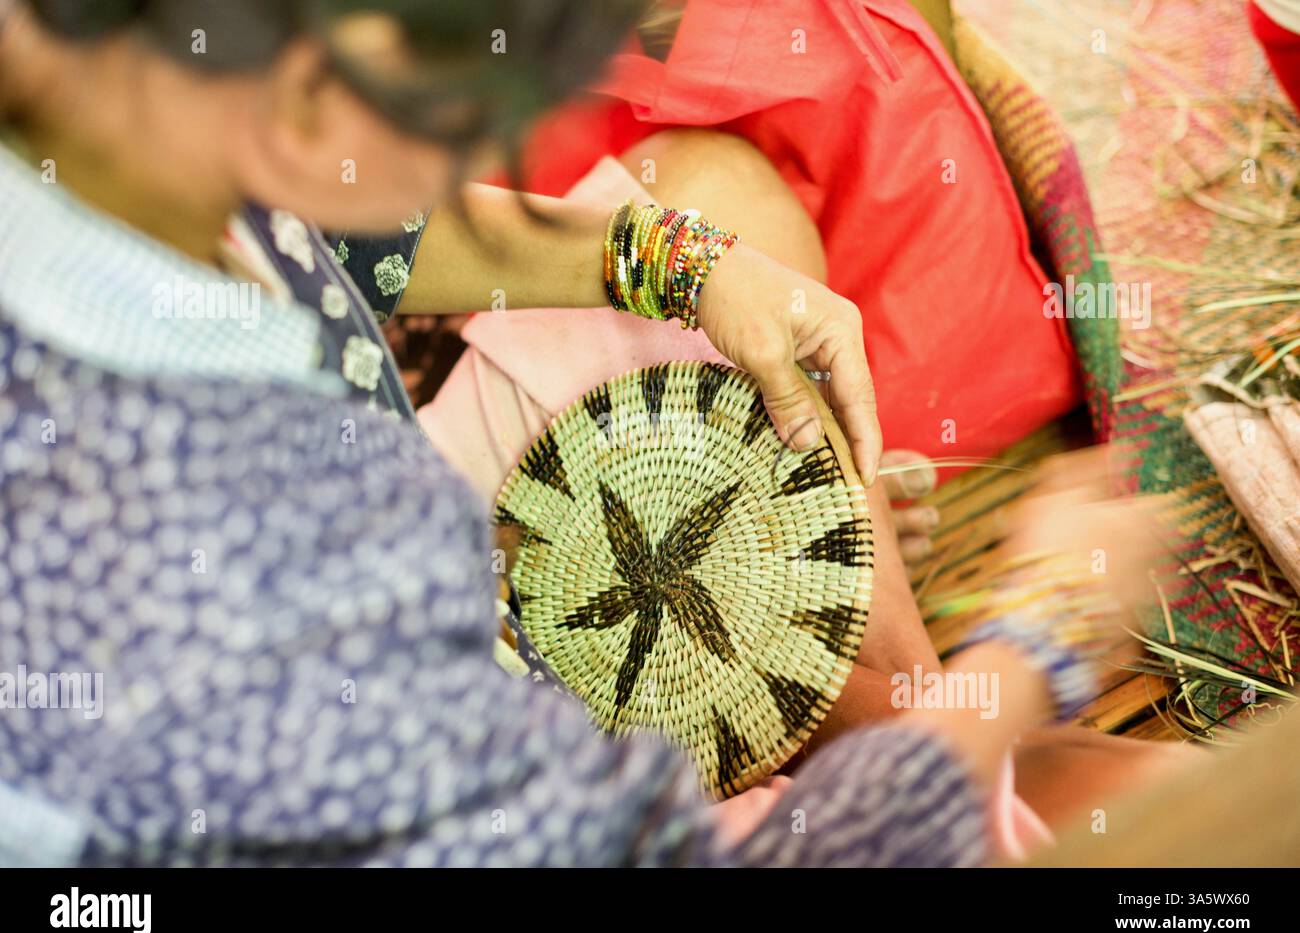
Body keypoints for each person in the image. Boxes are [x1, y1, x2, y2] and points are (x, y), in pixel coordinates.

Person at [0, 0, 1167, 866]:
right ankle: (955, 756)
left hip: (448, 617)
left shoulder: (119, 125)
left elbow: (348, 235)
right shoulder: (248, 592)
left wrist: (678, 262)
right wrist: (1042, 640)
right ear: (305, 107)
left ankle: (924, 731)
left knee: (713, 207)